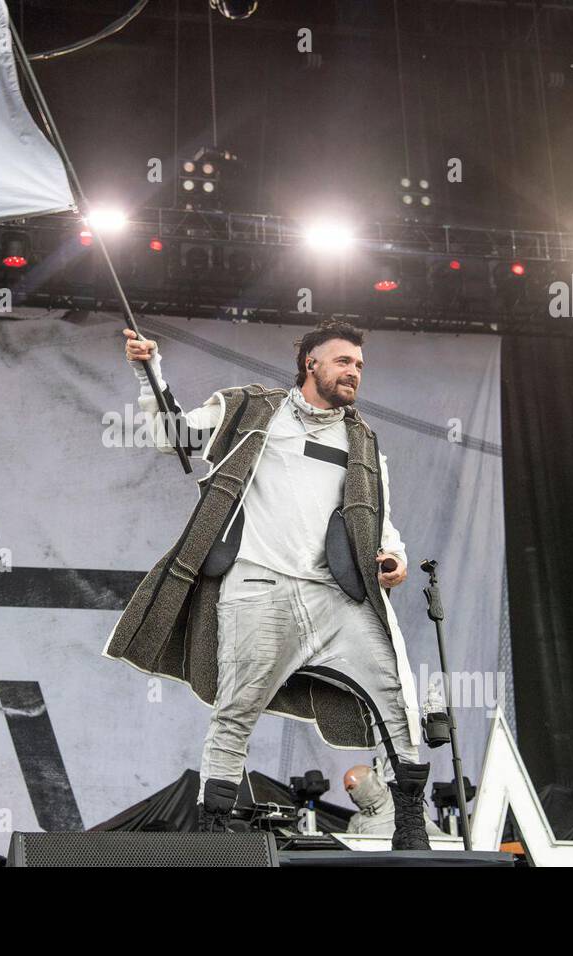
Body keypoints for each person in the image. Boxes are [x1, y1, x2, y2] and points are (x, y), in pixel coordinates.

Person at [105, 320, 432, 849]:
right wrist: (150, 374)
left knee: (397, 695)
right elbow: (176, 437)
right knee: (236, 708)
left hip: (335, 596)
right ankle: (215, 828)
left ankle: (410, 824)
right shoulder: (254, 408)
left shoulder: (365, 442)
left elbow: (383, 522)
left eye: (360, 366)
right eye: (344, 362)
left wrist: (393, 556)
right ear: (312, 363)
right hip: (258, 586)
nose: (354, 373)